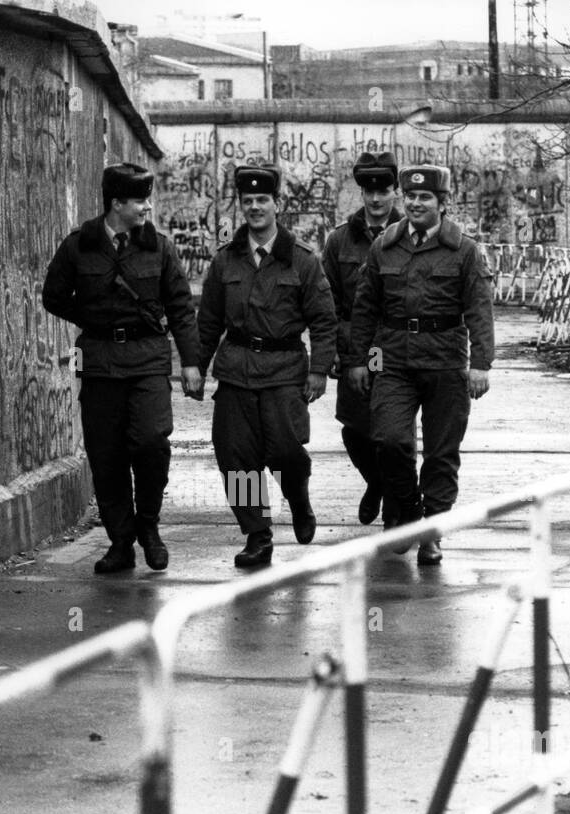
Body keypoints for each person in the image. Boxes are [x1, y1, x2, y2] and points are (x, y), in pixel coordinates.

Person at [42, 162, 200, 574]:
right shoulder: (80, 245)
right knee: (106, 456)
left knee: (151, 442)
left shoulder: (159, 247)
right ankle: (121, 542)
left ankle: (149, 526)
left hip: (148, 361)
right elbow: (53, 295)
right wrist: (90, 318)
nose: (148, 207)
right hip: (99, 367)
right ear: (117, 203)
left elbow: (182, 308)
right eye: (140, 200)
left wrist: (192, 364)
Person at [347, 165, 494, 566]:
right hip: (394, 359)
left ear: (442, 203)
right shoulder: (385, 246)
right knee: (390, 441)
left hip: (446, 362)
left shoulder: (464, 249)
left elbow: (479, 308)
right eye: (410, 197)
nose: (414, 203)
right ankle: (409, 511)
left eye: (424, 197)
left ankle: (431, 532)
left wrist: (480, 363)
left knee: (441, 454)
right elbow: (365, 307)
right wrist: (357, 360)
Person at [194, 163, 338, 569]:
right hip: (236, 368)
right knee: (236, 458)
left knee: (287, 451)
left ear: (278, 204)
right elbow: (208, 322)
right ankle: (258, 535)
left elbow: (324, 320)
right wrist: (196, 367)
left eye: (262, 200)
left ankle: (298, 494)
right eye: (248, 201)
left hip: (284, 369)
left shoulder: (303, 261)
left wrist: (319, 370)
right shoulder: (226, 261)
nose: (255, 207)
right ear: (240, 205)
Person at [322, 150, 405, 527]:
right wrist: (345, 351)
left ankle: (393, 508)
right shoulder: (340, 241)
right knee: (355, 430)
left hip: (393, 349)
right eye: (369, 191)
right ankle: (378, 483)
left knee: (390, 432)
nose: (375, 199)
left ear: (394, 192)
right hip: (357, 346)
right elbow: (330, 303)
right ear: (361, 193)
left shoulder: (408, 236)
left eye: (383, 190)